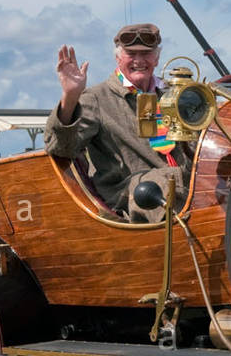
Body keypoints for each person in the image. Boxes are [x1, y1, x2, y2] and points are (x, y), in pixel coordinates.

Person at [44, 24, 191, 222]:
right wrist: (70, 97)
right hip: (131, 195)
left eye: (146, 53)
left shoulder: (176, 96)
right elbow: (59, 148)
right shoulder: (96, 98)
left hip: (184, 188)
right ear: (118, 57)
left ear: (156, 58)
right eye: (131, 53)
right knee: (163, 183)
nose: (139, 60)